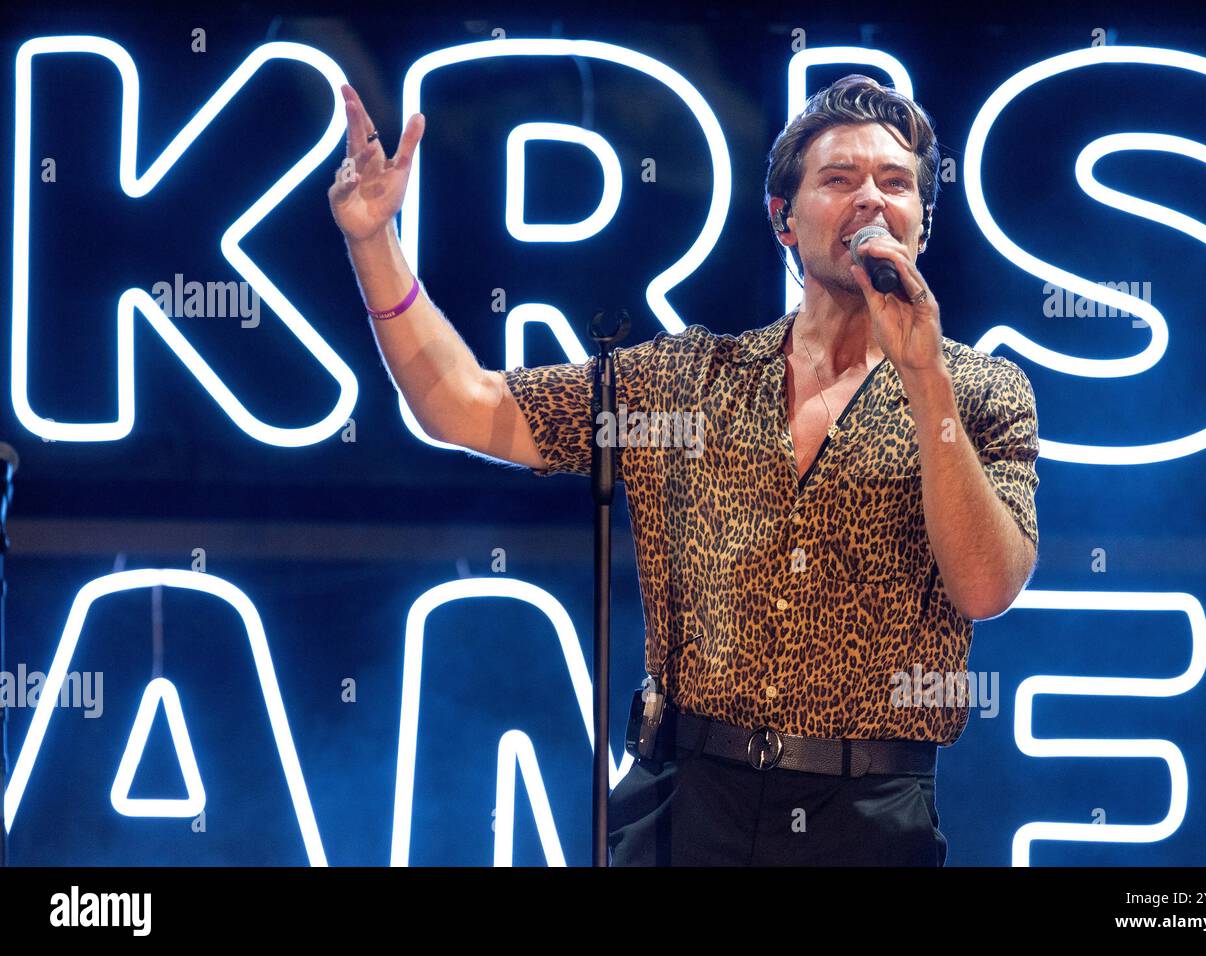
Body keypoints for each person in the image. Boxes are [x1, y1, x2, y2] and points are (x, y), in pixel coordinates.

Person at [329, 74, 1040, 866]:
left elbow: (986, 587)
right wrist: (372, 241)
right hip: (685, 800)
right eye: (839, 179)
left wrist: (924, 377)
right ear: (784, 219)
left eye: (896, 182)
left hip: (866, 817)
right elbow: (465, 405)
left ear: (922, 222)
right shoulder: (685, 382)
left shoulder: (979, 391)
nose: (871, 199)